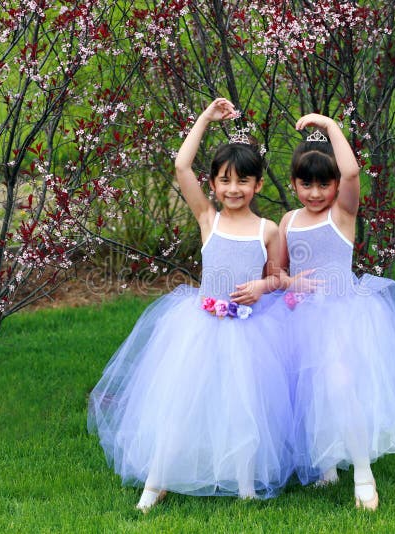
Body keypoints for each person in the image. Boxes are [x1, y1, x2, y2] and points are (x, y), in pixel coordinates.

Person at [87, 98, 293, 512]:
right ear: (213, 184)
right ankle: (157, 479)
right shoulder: (208, 218)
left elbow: (279, 276)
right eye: (224, 181)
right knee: (180, 404)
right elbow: (181, 167)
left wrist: (261, 286)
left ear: (258, 185)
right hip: (199, 326)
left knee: (243, 405)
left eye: (243, 181)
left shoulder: (268, 229)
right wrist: (204, 119)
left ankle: (245, 480)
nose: (233, 189)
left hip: (248, 331)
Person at [277, 113, 395, 511]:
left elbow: (353, 173)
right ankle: (327, 464)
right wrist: (289, 283)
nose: (316, 193)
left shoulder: (342, 215)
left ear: (336, 186)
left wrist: (328, 125)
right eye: (307, 184)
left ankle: (362, 472)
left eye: (325, 184)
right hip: (299, 319)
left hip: (341, 316)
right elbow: (277, 269)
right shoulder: (288, 221)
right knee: (310, 393)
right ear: (294, 185)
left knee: (341, 386)